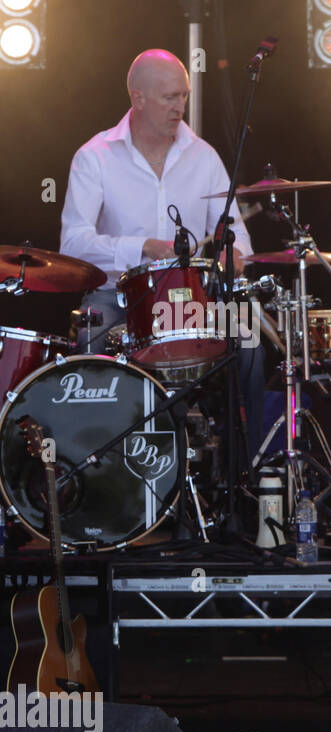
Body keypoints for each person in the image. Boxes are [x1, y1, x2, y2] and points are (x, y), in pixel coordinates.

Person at [59, 49, 263, 450]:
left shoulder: (203, 157)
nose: (180, 107)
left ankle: (246, 472)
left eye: (183, 96)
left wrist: (233, 253)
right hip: (119, 299)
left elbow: (236, 235)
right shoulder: (94, 157)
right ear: (138, 98)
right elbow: (73, 244)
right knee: (92, 337)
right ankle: (95, 459)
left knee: (251, 343)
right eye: (170, 97)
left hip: (189, 302)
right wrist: (143, 248)